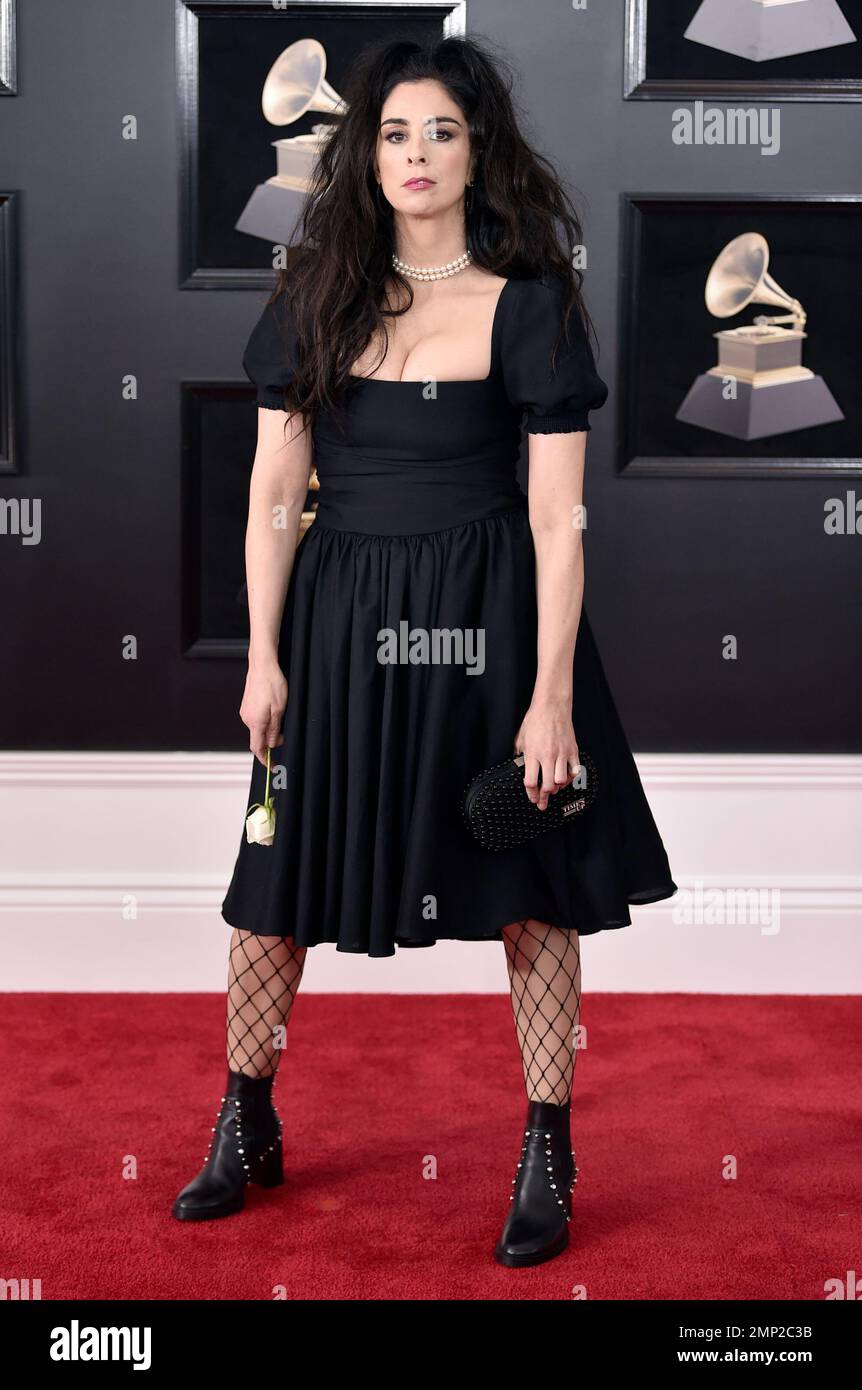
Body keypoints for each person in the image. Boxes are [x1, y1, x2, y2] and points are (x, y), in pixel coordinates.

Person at [172, 33, 677, 1268]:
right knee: (274, 885)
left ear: (476, 149)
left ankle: (547, 1145)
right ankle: (247, 1118)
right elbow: (272, 494)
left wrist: (550, 694)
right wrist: (263, 657)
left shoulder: (530, 300)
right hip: (338, 625)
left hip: (494, 624)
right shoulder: (314, 294)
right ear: (364, 151)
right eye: (394, 133)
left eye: (440, 132)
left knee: (532, 888)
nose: (416, 154)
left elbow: (558, 516)